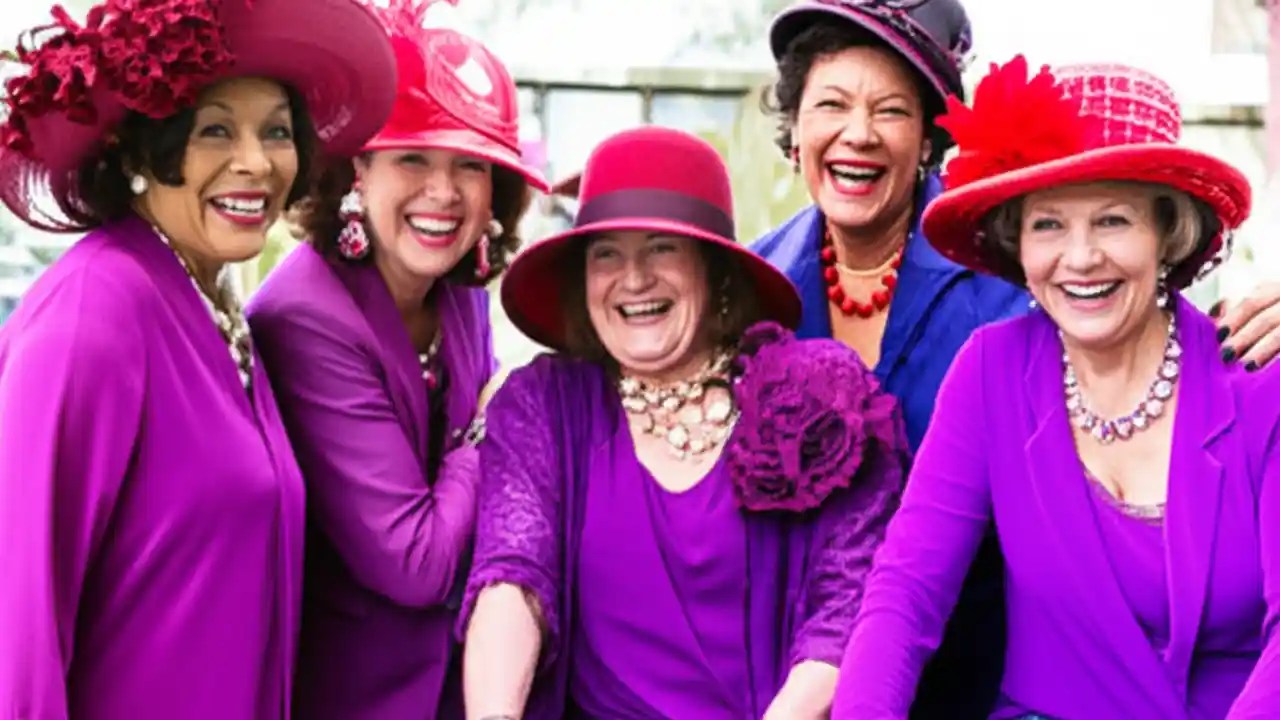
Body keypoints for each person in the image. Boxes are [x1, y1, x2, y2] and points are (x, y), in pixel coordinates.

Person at [752, 1, 1280, 714]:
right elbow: (904, 592)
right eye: (1049, 224)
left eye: (1114, 220)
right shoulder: (992, 369)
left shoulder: (1256, 382)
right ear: (1017, 246)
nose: (1080, 256)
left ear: (1169, 233)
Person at [0, 0, 395, 717]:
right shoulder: (96, 313)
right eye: (215, 129)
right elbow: (16, 620)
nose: (256, 161)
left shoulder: (212, 303)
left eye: (276, 131)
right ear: (134, 151)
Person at [457, 125, 911, 720]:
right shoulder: (545, 404)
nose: (635, 277)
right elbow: (512, 577)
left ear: (715, 269)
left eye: (661, 247)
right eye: (606, 254)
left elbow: (848, 604)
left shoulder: (817, 396)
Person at [244, 2, 548, 717]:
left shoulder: (460, 289)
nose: (444, 193)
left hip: (464, 684)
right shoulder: (305, 317)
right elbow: (419, 563)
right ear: (359, 169)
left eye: (470, 166)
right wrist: (490, 421)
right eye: (414, 157)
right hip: (354, 696)